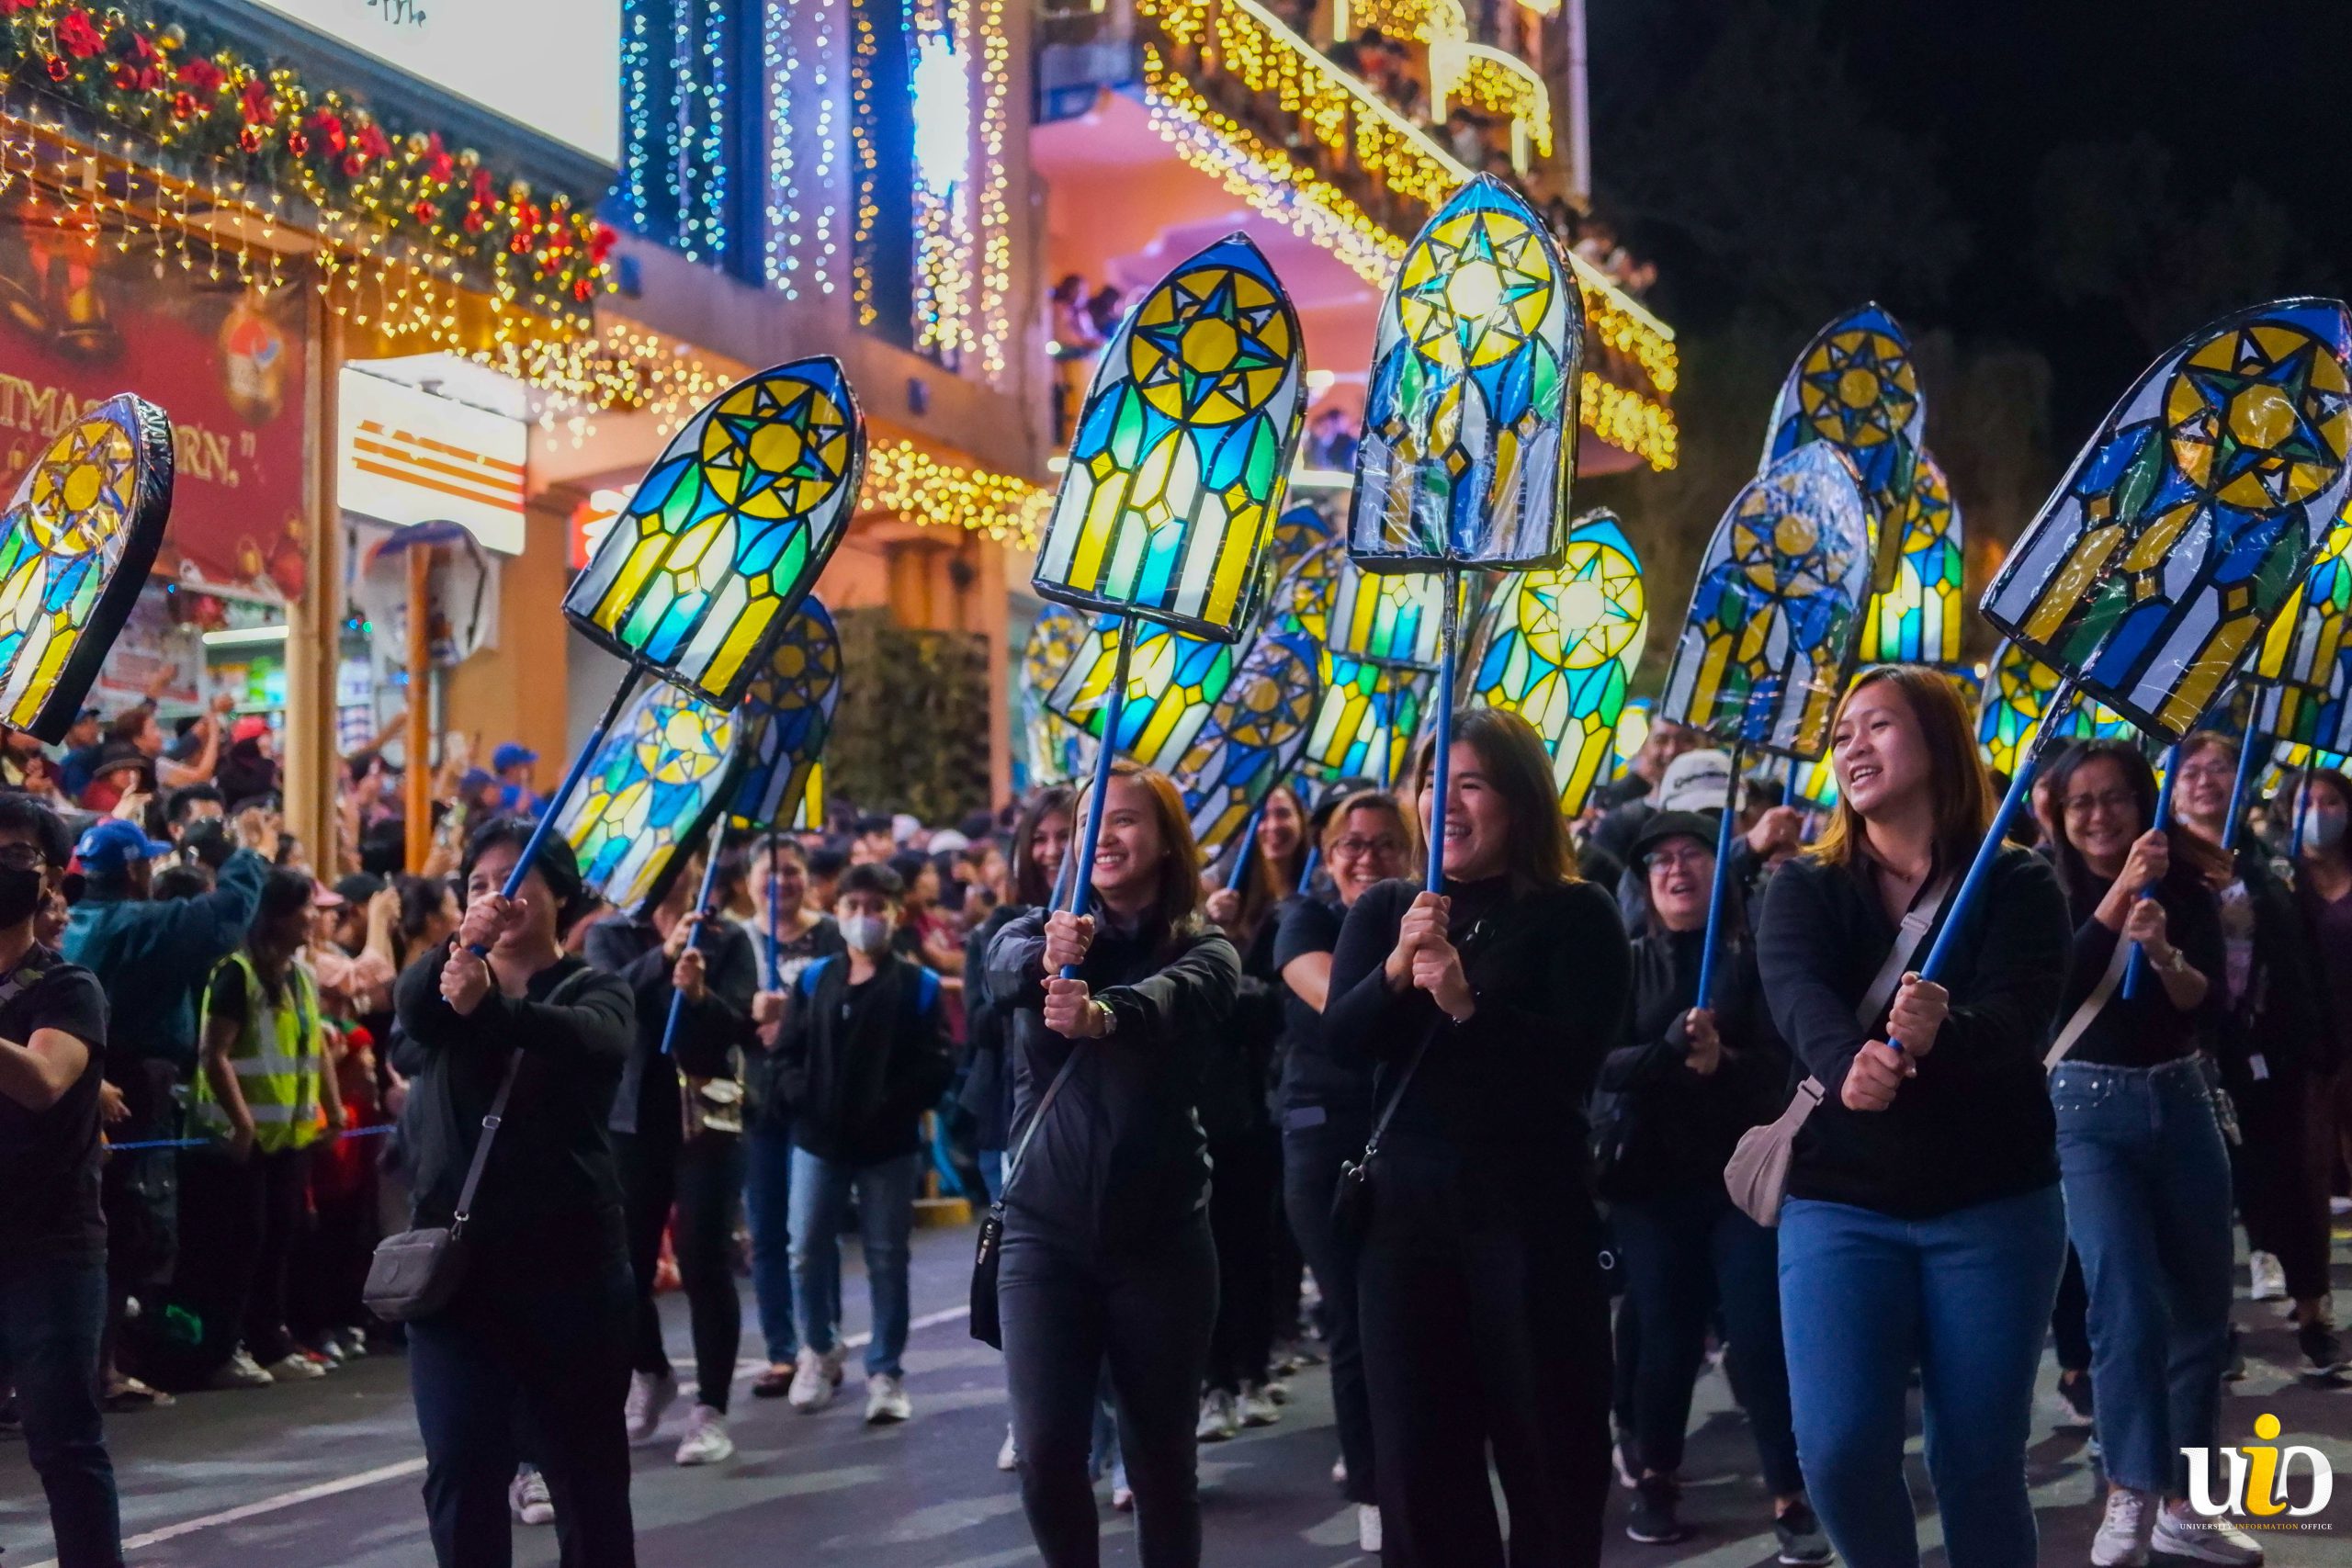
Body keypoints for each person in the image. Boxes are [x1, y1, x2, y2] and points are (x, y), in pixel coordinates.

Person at [1756, 665, 2071, 1568]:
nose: (1854, 745)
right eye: (1843, 731)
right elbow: (1795, 993)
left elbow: (2020, 1021)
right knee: (1841, 1450)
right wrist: (1844, 1063)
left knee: (1976, 1459)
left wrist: (1948, 1029)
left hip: (1992, 1206)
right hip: (1839, 1204)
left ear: (1937, 744)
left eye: (1879, 727)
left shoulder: (2016, 883)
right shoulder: (1805, 887)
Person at [1322, 708, 1630, 1567]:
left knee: (1550, 1458)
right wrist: (1393, 970)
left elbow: (1570, 1068)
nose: (1444, 802)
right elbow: (1343, 1045)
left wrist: (1465, 1003)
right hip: (1403, 1228)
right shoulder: (1388, 905)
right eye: (1431, 782)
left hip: (1530, 1221)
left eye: (1471, 783)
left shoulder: (1580, 912)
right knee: (1420, 1470)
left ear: (1521, 799)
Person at [988, 762, 1239, 1567]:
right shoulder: (1035, 928)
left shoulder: (1206, 947)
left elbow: (1179, 996)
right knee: (1045, 1452)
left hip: (1161, 1238)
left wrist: (1102, 1012)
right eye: (1095, 817)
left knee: (1162, 1462)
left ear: (1166, 842)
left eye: (1128, 819)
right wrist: (1044, 959)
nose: (1107, 834)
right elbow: (998, 969)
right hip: (1042, 1236)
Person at [394, 821, 636, 1568]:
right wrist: (456, 953)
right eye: (477, 882)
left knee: (585, 1479)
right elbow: (412, 1008)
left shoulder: (595, 986)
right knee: (461, 1469)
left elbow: (593, 1039)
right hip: (456, 1280)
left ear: (558, 894)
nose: (497, 892)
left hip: (569, 1275)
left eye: (516, 876)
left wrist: (492, 1007)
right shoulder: (450, 981)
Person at [2041, 737, 2258, 1566]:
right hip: (2086, 1110)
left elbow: (2204, 999)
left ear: (2144, 804)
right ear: (2059, 816)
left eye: (2115, 798)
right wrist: (2115, 903)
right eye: (2081, 803)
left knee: (2202, 1309)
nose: (2099, 815)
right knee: (2124, 1303)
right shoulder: (2040, 886)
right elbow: (2054, 986)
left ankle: (2185, 1502)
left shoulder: (2188, 885)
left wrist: (2162, 948)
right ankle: (2130, 1487)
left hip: (2181, 1099)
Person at [1594, 809, 1826, 1560]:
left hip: (1741, 1185)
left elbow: (1789, 1073)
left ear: (1717, 867)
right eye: (1658, 860)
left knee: (1759, 1336)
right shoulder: (1625, 963)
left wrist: (1722, 1063)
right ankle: (1657, 1472)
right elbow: (1596, 1065)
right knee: (1664, 1334)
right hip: (1651, 1186)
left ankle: (1790, 1488)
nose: (1674, 869)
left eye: (1690, 853)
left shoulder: (1756, 960)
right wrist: (1666, 1054)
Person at [65, 811, 271, 1395]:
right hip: (127, 1090)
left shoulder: (78, 922)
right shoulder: (131, 926)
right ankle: (98, 1371)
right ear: (132, 870)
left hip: (97, 1083)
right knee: (124, 1228)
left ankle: (96, 1366)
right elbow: (222, 917)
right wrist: (245, 856)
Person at [2172, 735, 2344, 1377]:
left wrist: (2317, 1039)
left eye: (2219, 766)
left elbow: (2302, 958)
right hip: (2194, 1051)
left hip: (2273, 1051)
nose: (2206, 780)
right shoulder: (2161, 864)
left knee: (2294, 1185)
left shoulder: (2268, 862)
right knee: (2206, 1199)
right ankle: (2215, 1327)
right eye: (2191, 769)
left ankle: (2313, 1315)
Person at [583, 844, 757, 1465]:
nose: (668, 872)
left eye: (679, 860)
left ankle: (710, 1406)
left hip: (705, 1120)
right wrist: (661, 959)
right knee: (623, 1264)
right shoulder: (609, 936)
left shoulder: (727, 938)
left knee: (702, 1257)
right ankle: (650, 1368)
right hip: (631, 1119)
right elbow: (605, 1003)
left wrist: (702, 993)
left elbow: (740, 1025)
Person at [1273, 788, 1411, 1552]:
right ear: (1326, 856)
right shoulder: (1306, 918)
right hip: (1324, 1142)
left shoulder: (1424, 911)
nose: (1366, 856)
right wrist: (1407, 965)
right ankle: (1373, 1486)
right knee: (1358, 1316)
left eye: (1385, 842)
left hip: (1409, 1142)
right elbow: (1339, 1002)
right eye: (1349, 843)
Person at [771, 862, 954, 1422]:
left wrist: (889, 1105)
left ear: (896, 915)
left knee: (885, 1256)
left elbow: (936, 1065)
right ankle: (819, 1349)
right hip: (816, 1141)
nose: (863, 918)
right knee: (804, 1249)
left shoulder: (918, 986)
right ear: (837, 910)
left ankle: (886, 1371)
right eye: (852, 907)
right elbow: (787, 1054)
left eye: (876, 908)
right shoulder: (812, 980)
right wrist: (803, 1099)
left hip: (887, 1147)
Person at [0, 794, 124, 1568]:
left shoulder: (67, 985)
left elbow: (44, 1079)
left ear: (48, 878)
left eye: (18, 855)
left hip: (50, 1246)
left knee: (63, 1439)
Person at [180, 867, 345, 1385]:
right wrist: (241, 1122)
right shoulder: (237, 974)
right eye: (305, 909)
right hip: (240, 1142)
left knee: (279, 1237)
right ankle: (221, 1349)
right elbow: (214, 1053)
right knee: (238, 1245)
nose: (314, 920)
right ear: (276, 916)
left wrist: (333, 1107)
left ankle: (270, 1342)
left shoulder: (300, 976)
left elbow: (314, 1046)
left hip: (287, 1137)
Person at [961, 788, 1072, 1471]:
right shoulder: (1001, 928)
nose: (1055, 849)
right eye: (1042, 837)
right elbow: (980, 1019)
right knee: (1028, 1289)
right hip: (1012, 1123)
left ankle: (1114, 1441)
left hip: (1083, 1125)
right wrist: (1035, 967)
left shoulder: (1115, 924)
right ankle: (1031, 1414)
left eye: (1069, 834)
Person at [737, 836, 847, 1400]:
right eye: (769, 871)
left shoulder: (829, 933)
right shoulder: (737, 940)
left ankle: (821, 1340)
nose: (781, 881)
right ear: (748, 881)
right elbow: (721, 1013)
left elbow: (844, 998)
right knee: (767, 1229)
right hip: (757, 1100)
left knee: (812, 1228)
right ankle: (782, 1348)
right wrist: (747, 1011)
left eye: (792, 870)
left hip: (814, 1098)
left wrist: (795, 1016)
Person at [491, 742, 542, 817]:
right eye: (526, 765)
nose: (531, 768)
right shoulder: (510, 794)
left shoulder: (506, 790)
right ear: (511, 770)